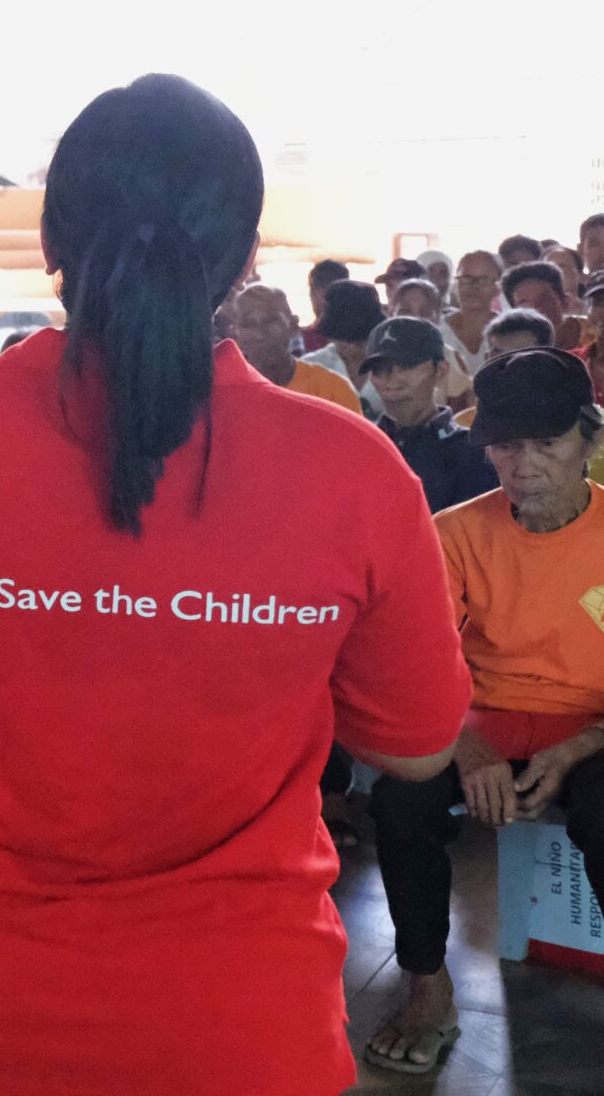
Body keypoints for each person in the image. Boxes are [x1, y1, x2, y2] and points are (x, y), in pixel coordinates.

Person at [0, 74, 469, 1096]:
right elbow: (415, 744)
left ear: (51, 246)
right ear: (242, 260)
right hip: (237, 1027)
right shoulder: (353, 471)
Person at [366, 347, 604, 1074]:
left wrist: (582, 743)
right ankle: (426, 981)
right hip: (481, 716)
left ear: (589, 439)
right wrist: (466, 744)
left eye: (547, 442)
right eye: (505, 444)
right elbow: (420, 663)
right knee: (402, 797)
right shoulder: (457, 533)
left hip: (593, 728)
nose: (523, 463)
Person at [364, 317, 497, 513]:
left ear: (441, 371)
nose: (391, 378)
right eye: (380, 369)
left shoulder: (475, 453)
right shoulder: (361, 446)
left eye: (406, 366)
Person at [229, 284, 363, 413]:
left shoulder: (333, 390)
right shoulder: (227, 396)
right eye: (247, 324)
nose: (260, 334)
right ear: (234, 334)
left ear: (293, 326)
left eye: (271, 320)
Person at [303, 277, 384, 415]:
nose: (349, 345)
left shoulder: (395, 367)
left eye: (358, 340)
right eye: (340, 337)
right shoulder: (311, 367)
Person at [502, 259, 582, 349]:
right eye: (525, 304)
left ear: (565, 302)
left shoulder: (597, 336)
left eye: (545, 300)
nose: (536, 309)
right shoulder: (513, 350)